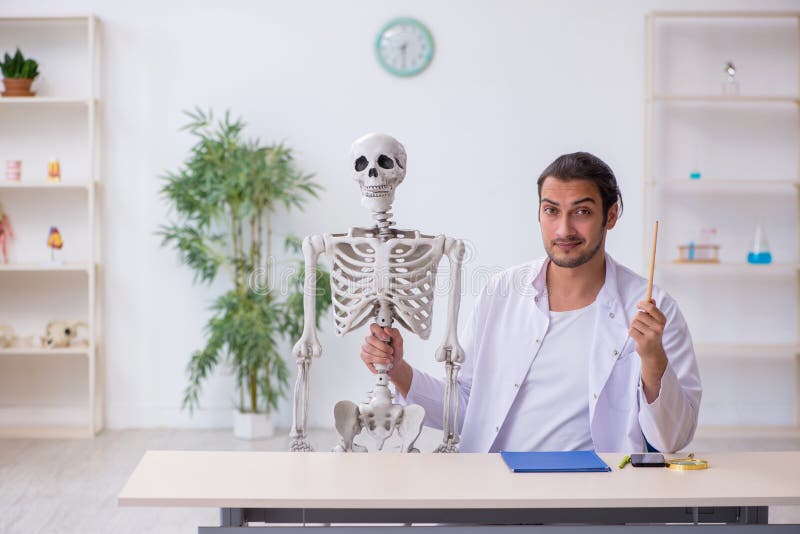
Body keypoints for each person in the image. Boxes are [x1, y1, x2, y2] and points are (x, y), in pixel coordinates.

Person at [359, 152, 701, 453]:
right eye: (552, 211)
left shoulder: (653, 310)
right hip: (496, 496)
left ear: (610, 217)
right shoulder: (501, 292)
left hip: (593, 502)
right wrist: (398, 369)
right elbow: (467, 409)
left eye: (581, 211)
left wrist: (653, 361)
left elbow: (673, 440)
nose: (564, 229)